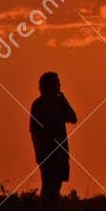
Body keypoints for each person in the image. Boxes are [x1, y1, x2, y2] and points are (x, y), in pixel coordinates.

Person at [29, 72, 77, 202]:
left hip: (61, 151)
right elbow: (35, 131)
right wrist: (40, 152)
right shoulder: (38, 104)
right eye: (57, 82)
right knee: (49, 185)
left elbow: (73, 118)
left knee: (57, 185)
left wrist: (63, 99)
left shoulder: (59, 102)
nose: (60, 85)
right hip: (47, 152)